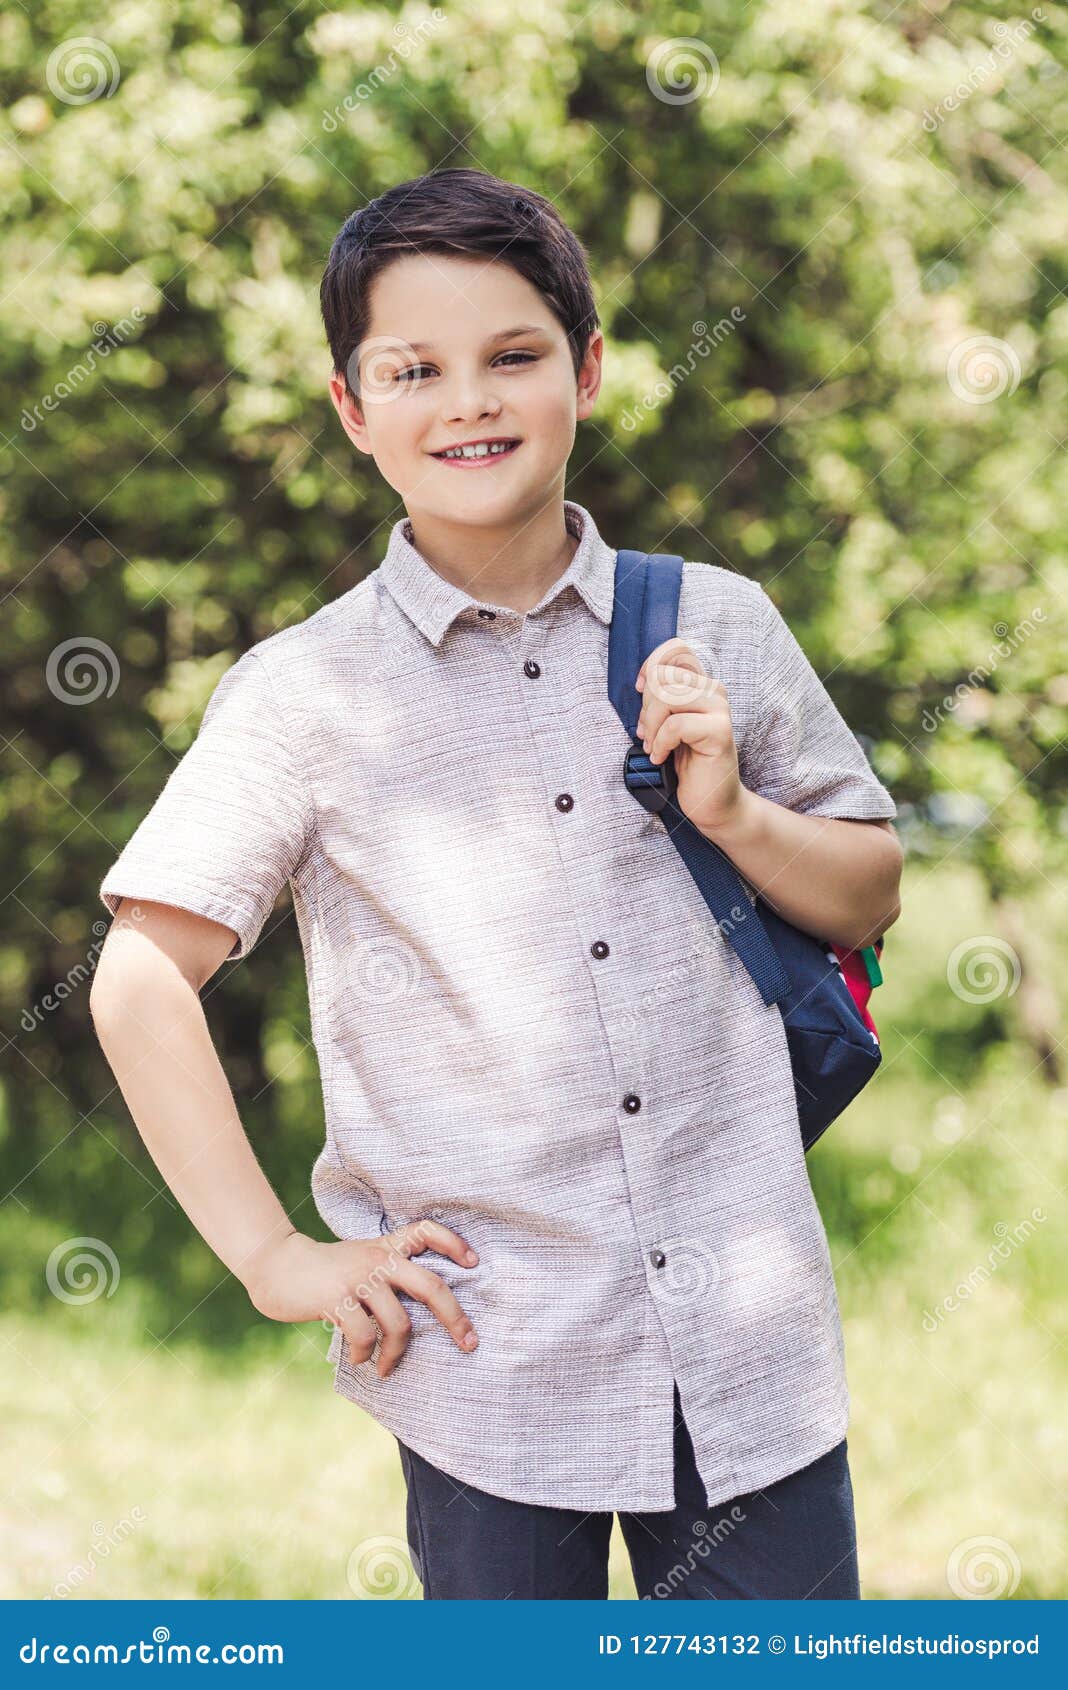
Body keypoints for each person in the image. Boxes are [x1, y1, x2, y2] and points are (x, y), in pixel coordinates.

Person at [91, 166, 904, 1601]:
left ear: (585, 371)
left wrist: (729, 810)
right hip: (485, 1366)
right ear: (354, 408)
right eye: (415, 369)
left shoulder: (720, 621)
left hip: (751, 1355)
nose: (468, 400)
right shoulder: (302, 694)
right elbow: (142, 976)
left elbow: (869, 892)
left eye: (513, 356)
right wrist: (278, 1257)